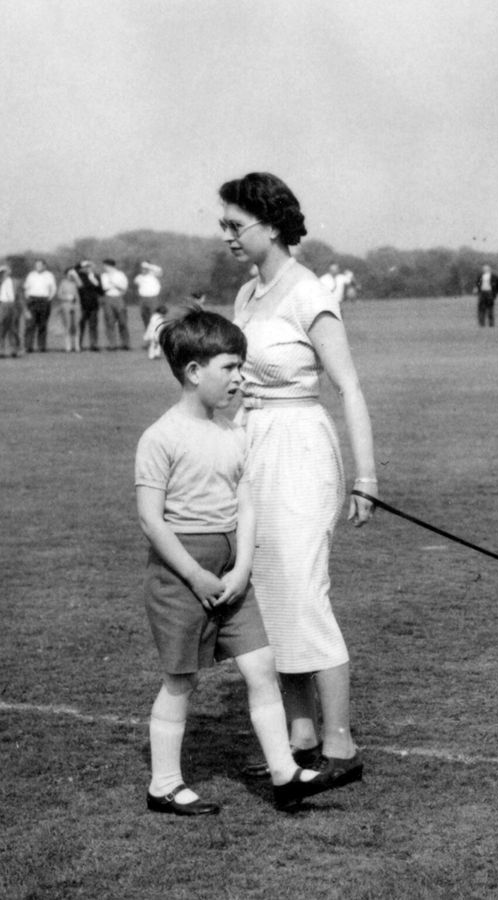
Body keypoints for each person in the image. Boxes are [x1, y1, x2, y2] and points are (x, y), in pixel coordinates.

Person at [135, 308, 335, 814]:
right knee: (181, 680)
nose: (239, 378)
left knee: (261, 666)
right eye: (228, 367)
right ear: (193, 372)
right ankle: (164, 784)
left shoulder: (233, 432)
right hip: (182, 574)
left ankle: (284, 773)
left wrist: (242, 568)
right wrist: (195, 575)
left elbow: (246, 504)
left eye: (241, 367)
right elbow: (152, 521)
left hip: (231, 573)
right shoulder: (160, 437)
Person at [221, 172, 378, 787]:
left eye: (236, 225)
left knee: (303, 590)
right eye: (224, 225)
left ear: (271, 225)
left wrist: (366, 477)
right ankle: (301, 735)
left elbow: (350, 386)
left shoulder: (308, 291)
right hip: (254, 444)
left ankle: (341, 744)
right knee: (270, 592)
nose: (228, 236)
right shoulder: (246, 293)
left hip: (301, 448)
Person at [23, 260, 56, 353]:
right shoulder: (31, 275)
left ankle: (42, 346)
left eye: (40, 265)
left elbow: (53, 288)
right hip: (32, 300)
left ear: (44, 266)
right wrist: (27, 298)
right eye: (36, 265)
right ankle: (28, 346)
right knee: (30, 324)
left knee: (42, 324)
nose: (38, 267)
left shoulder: (49, 275)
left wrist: (49, 298)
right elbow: (26, 287)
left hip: (44, 300)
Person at [101, 259, 132, 350]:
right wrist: (114, 285)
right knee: (109, 321)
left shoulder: (120, 275)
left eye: (105, 266)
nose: (104, 268)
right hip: (108, 298)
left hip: (118, 298)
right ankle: (112, 344)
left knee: (123, 322)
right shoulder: (104, 276)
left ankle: (125, 343)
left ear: (110, 266)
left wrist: (114, 284)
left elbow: (124, 287)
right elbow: (104, 287)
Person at [76, 260, 104, 351]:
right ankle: (78, 344)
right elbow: (74, 269)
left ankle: (93, 345)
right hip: (82, 304)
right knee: (81, 325)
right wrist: (82, 263)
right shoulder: (80, 276)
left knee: (93, 325)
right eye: (86, 267)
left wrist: (95, 282)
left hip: (94, 305)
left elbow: (101, 292)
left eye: (90, 267)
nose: (88, 268)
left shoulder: (96, 277)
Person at [55, 265, 83, 352]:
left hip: (76, 305)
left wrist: (76, 276)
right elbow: (59, 295)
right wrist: (67, 297)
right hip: (66, 305)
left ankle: (77, 346)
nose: (71, 275)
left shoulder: (76, 282)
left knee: (76, 325)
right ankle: (68, 346)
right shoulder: (63, 283)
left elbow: (80, 285)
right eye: (69, 273)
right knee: (68, 325)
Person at [134, 261, 164, 334]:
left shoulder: (153, 276)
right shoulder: (139, 277)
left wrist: (149, 266)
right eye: (142, 268)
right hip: (143, 299)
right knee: (145, 316)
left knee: (154, 316)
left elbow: (160, 271)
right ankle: (148, 334)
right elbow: (136, 282)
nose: (143, 270)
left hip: (153, 299)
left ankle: (157, 333)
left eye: (145, 269)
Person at [0, 265, 19, 358]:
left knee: (13, 328)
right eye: (2, 272)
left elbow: (19, 295)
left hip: (12, 305)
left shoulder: (14, 282)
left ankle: (14, 350)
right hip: (2, 304)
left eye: (5, 272)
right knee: (1, 328)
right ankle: (1, 350)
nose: (4, 274)